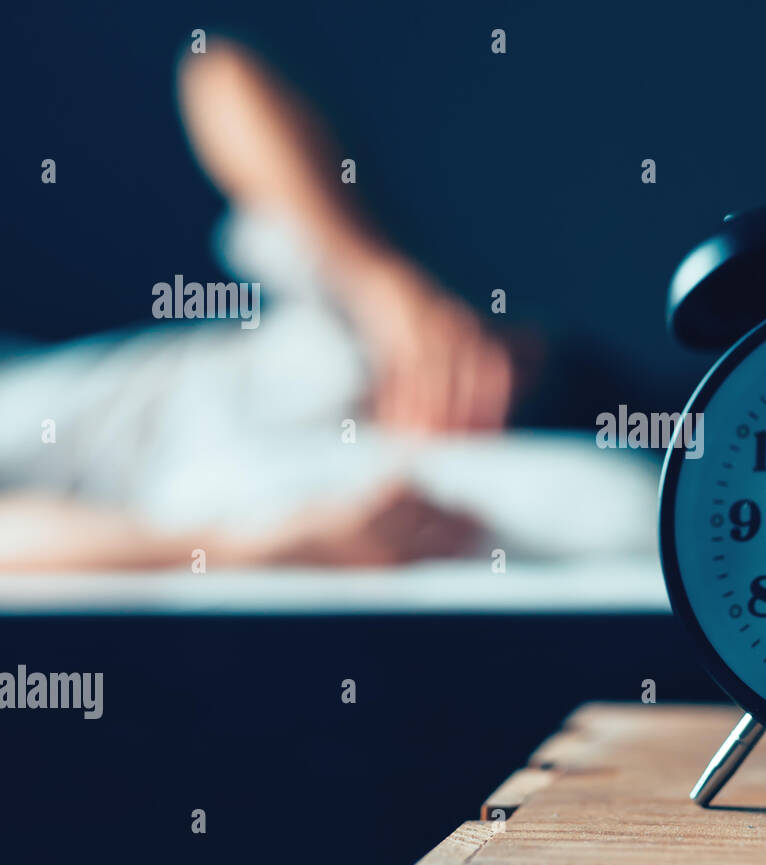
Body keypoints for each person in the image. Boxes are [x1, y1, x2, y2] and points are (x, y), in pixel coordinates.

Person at [0, 39, 555, 571]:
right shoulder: (352, 326)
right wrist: (383, 285)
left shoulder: (344, 478)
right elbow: (215, 72)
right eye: (503, 364)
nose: (477, 387)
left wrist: (257, 551)